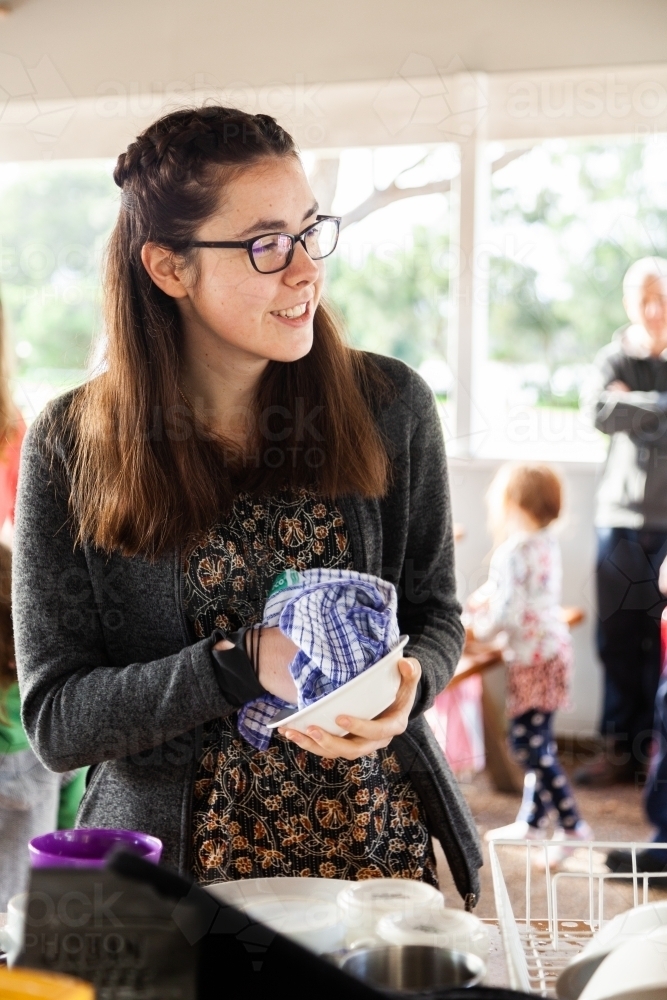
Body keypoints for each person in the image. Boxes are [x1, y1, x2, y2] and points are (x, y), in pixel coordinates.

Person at [13, 107, 482, 901]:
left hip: (375, 866)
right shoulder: (72, 441)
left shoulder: (389, 404)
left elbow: (435, 614)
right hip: (176, 888)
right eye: (266, 245)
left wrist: (410, 684)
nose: (305, 270)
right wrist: (234, 666)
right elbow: (60, 721)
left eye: (309, 230)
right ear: (168, 268)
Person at [466, 464, 592, 859]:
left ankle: (573, 826)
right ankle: (534, 823)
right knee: (541, 740)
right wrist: (490, 598)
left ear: (514, 504)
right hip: (553, 650)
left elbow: (507, 613)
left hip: (533, 656)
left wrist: (476, 627)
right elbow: (518, 592)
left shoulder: (513, 550)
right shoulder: (543, 542)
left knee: (527, 745)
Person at [578, 257, 667, 787]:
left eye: (662, 296)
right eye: (643, 297)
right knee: (618, 638)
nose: (654, 308)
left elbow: (619, 412)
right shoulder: (611, 355)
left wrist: (636, 403)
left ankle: (659, 755)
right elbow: (596, 411)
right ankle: (619, 751)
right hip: (618, 520)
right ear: (628, 302)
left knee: (663, 643)